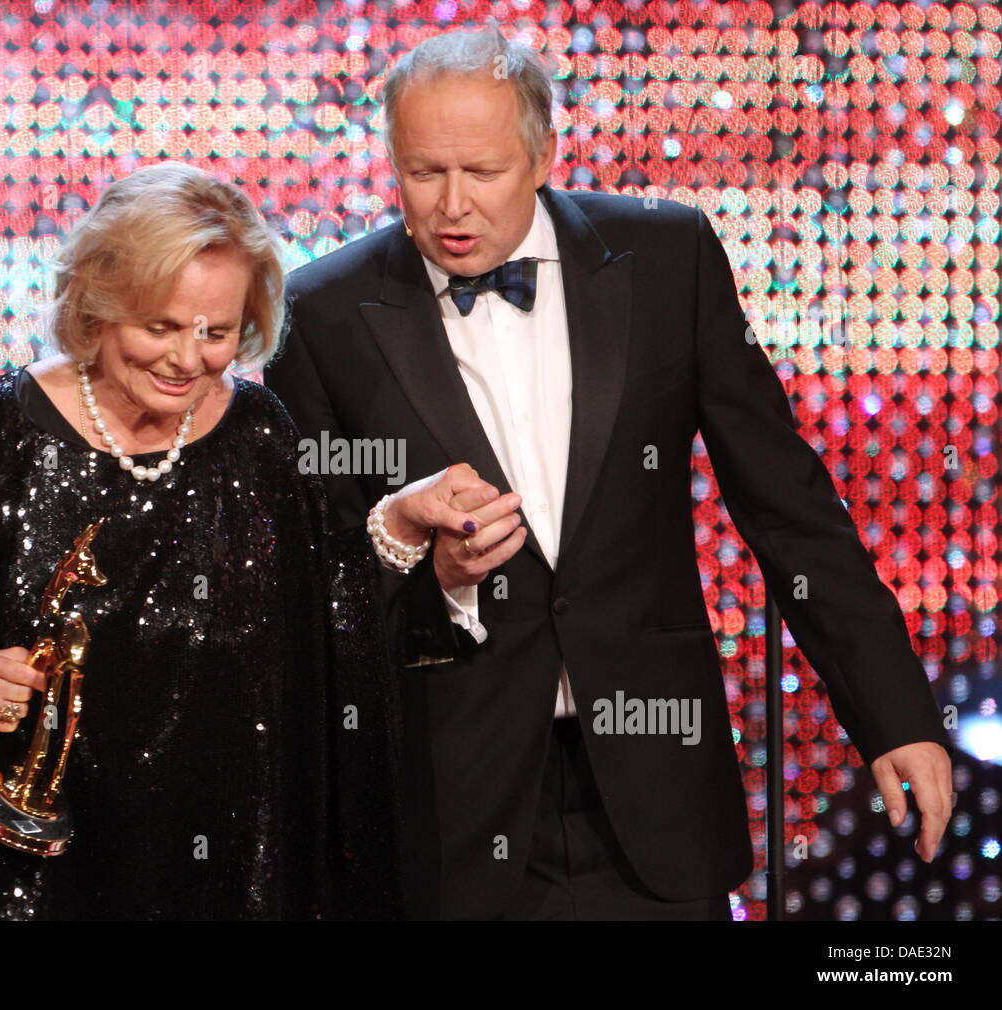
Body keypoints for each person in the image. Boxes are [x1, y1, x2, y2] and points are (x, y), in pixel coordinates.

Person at [265, 25, 954, 920]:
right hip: (450, 809)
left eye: (482, 171)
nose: (451, 206)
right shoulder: (321, 315)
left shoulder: (667, 259)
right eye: (423, 173)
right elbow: (316, 592)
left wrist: (894, 715)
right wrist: (428, 572)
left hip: (656, 791)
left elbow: (788, 505)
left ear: (546, 152)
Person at [0, 162, 444, 920]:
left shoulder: (261, 435)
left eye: (217, 331)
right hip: (31, 882)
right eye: (160, 326)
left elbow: (321, 634)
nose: (186, 360)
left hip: (227, 876)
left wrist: (398, 529)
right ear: (99, 304)